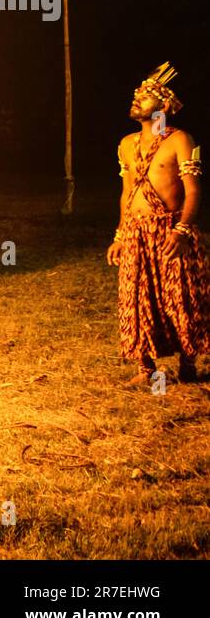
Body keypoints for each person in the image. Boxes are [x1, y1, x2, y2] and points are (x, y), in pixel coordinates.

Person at [106, 62, 208, 385]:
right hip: (136, 231)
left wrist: (182, 231)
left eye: (146, 95)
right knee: (137, 298)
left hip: (169, 230)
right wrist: (120, 236)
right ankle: (145, 369)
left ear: (164, 106)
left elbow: (193, 192)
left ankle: (188, 364)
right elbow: (126, 194)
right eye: (136, 94)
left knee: (180, 298)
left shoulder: (180, 140)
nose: (136, 99)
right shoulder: (126, 144)